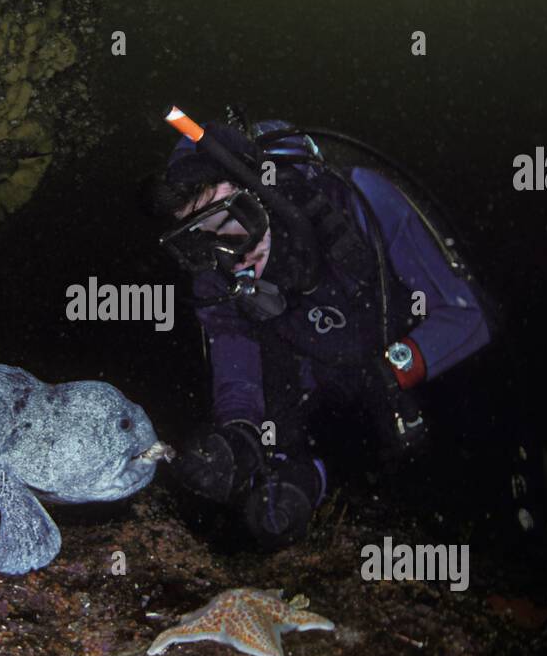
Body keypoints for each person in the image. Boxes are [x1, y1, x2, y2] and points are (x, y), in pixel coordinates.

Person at [143, 107, 492, 554]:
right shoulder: (216, 270)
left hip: (436, 385)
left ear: (263, 192)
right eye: (199, 238)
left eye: (232, 221)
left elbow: (467, 314)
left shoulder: (362, 199)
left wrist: (388, 373)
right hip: (334, 404)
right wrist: (240, 434)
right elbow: (238, 353)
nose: (228, 253)